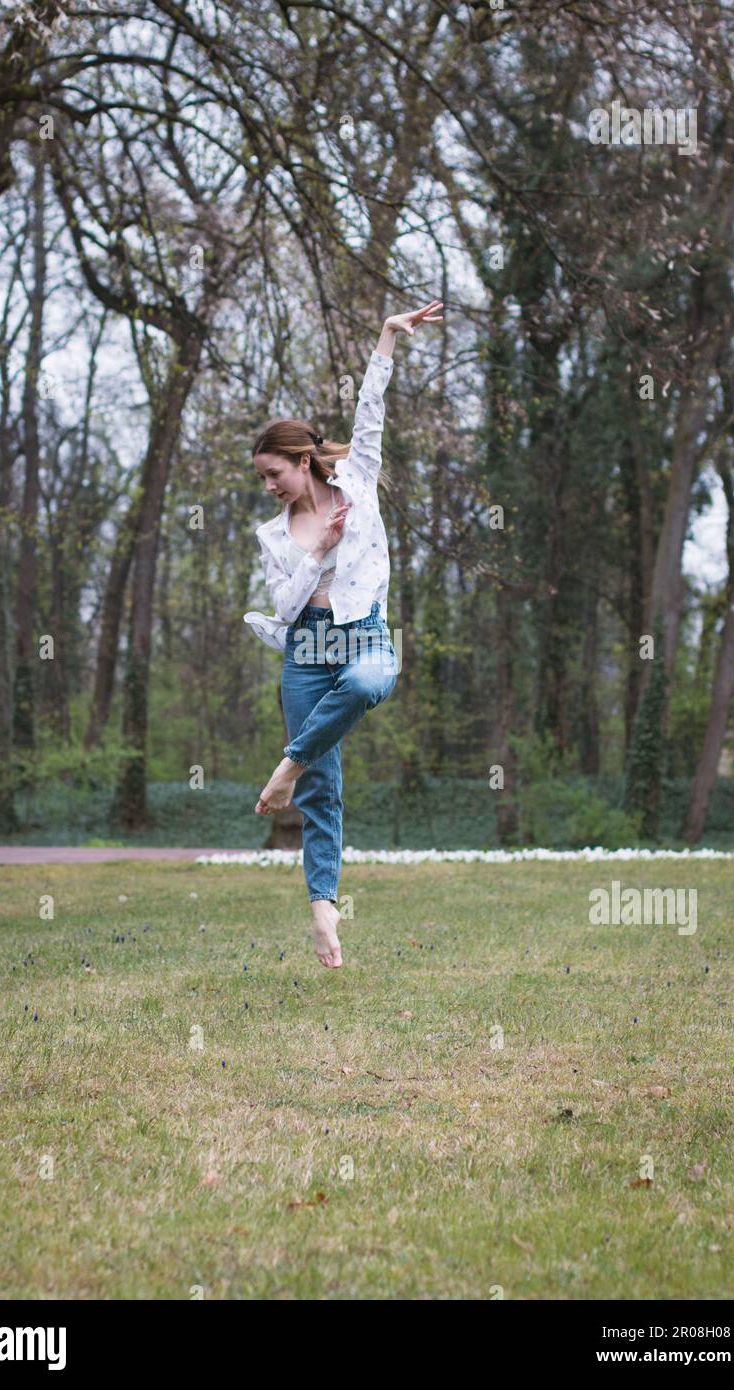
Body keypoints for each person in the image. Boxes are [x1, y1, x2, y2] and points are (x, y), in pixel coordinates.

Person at [244, 301, 444, 967]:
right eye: (262, 478)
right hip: (306, 651)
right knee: (323, 796)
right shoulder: (273, 535)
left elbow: (370, 409)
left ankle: (287, 765)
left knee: (367, 683)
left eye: (274, 473)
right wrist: (318, 547)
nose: (269, 486)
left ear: (303, 461)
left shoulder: (356, 476)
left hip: (363, 639)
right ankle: (324, 915)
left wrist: (388, 334)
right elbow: (285, 601)